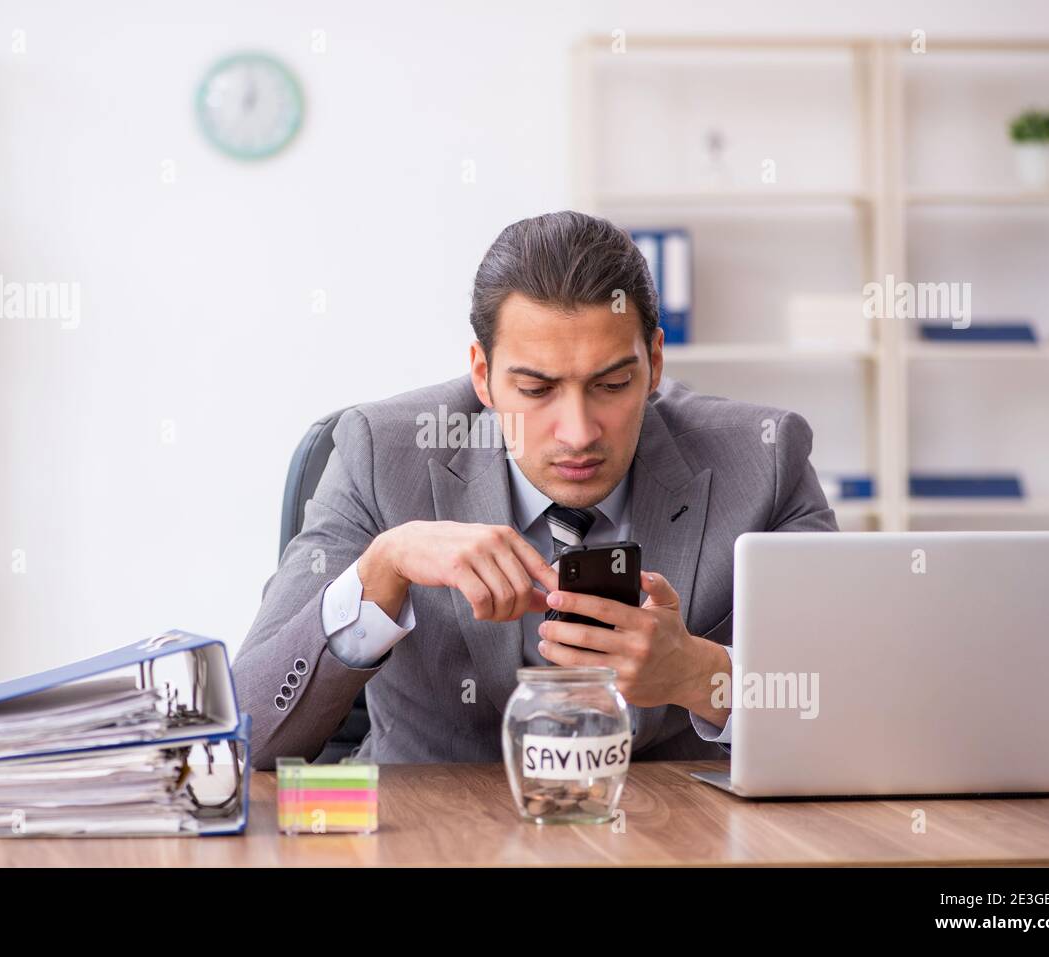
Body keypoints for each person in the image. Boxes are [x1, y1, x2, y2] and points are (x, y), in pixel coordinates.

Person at [234, 210, 838, 768]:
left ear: (654, 362)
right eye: (536, 390)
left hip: (677, 843)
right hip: (437, 845)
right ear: (483, 376)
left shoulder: (765, 456)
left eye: (611, 384)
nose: (577, 433)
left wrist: (701, 676)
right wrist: (381, 571)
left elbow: (853, 705)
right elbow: (247, 736)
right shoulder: (379, 453)